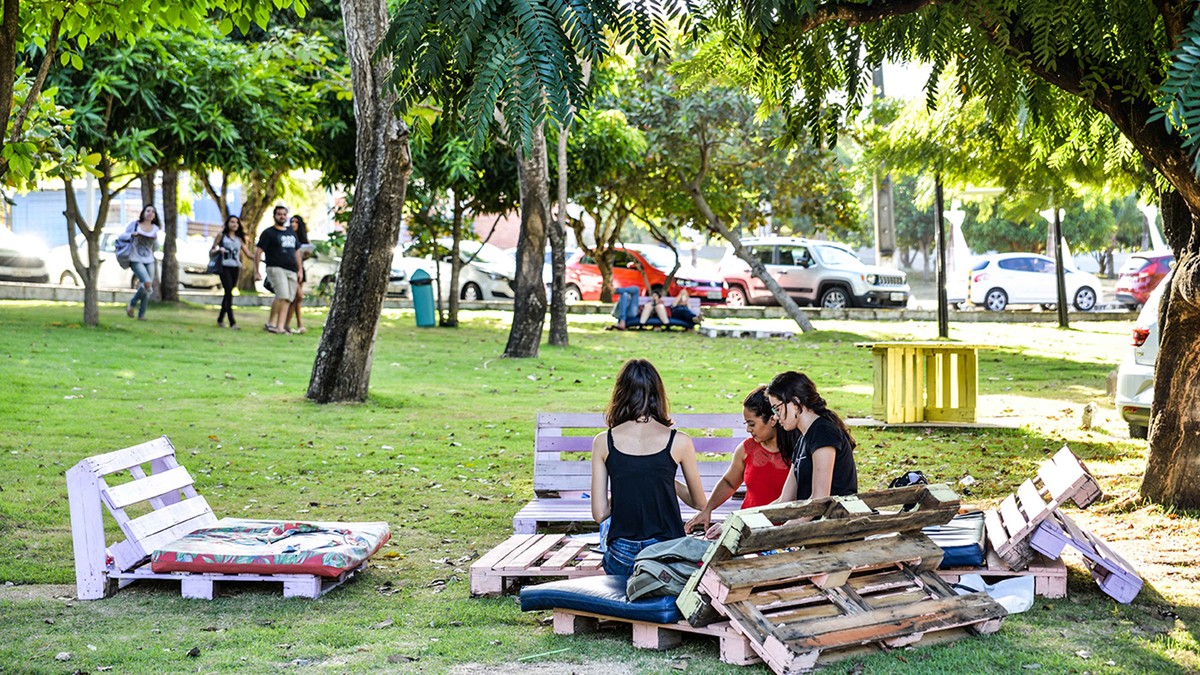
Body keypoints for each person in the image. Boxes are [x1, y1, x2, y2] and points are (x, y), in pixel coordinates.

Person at [590, 358, 707, 576]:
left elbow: (599, 513)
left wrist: (629, 486)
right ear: (658, 394)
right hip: (668, 554)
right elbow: (700, 503)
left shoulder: (603, 441)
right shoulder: (679, 441)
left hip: (622, 556)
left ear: (620, 394)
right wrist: (666, 482)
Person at [685, 386, 796, 537]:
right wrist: (707, 509)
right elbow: (729, 482)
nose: (748, 430)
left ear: (772, 420)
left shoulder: (797, 452)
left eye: (752, 424)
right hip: (745, 530)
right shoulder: (746, 449)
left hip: (784, 532)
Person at [767, 371, 858, 503]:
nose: (775, 416)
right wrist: (751, 517)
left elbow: (819, 499)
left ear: (796, 403)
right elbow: (785, 499)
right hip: (812, 519)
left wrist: (789, 524)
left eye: (777, 409)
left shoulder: (823, 433)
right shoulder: (803, 439)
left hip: (834, 519)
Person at [254, 205, 303, 334]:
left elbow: (297, 251)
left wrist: (300, 270)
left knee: (288, 298)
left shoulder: (290, 232)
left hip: (291, 269)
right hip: (275, 268)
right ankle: (272, 322)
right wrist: (256, 270)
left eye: (284, 214)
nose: (282, 216)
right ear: (274, 216)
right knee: (282, 295)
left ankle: (280, 326)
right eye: (279, 214)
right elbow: (258, 251)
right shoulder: (269, 233)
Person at [210, 215, 252, 329]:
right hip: (224, 266)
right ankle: (232, 322)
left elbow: (248, 254)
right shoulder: (221, 236)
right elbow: (212, 250)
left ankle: (220, 319)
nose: (234, 224)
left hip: (235, 267)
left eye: (236, 223)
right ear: (227, 223)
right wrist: (219, 250)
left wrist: (260, 257)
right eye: (232, 222)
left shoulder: (239, 239)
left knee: (228, 293)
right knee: (228, 292)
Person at [125, 205, 160, 321]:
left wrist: (154, 240)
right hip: (136, 258)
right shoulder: (135, 225)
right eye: (148, 211)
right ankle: (132, 304)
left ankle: (141, 315)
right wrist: (132, 235)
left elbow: (156, 247)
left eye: (153, 212)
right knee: (147, 283)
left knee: (147, 289)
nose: (150, 213)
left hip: (149, 259)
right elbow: (123, 236)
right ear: (143, 212)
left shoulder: (155, 228)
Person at [283, 214, 311, 334]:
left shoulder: (302, 239)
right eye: (292, 222)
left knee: (296, 299)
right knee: (298, 296)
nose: (293, 224)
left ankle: (288, 324)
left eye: (296, 222)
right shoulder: (287, 236)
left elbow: (306, 255)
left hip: (300, 268)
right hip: (290, 268)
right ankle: (297, 323)